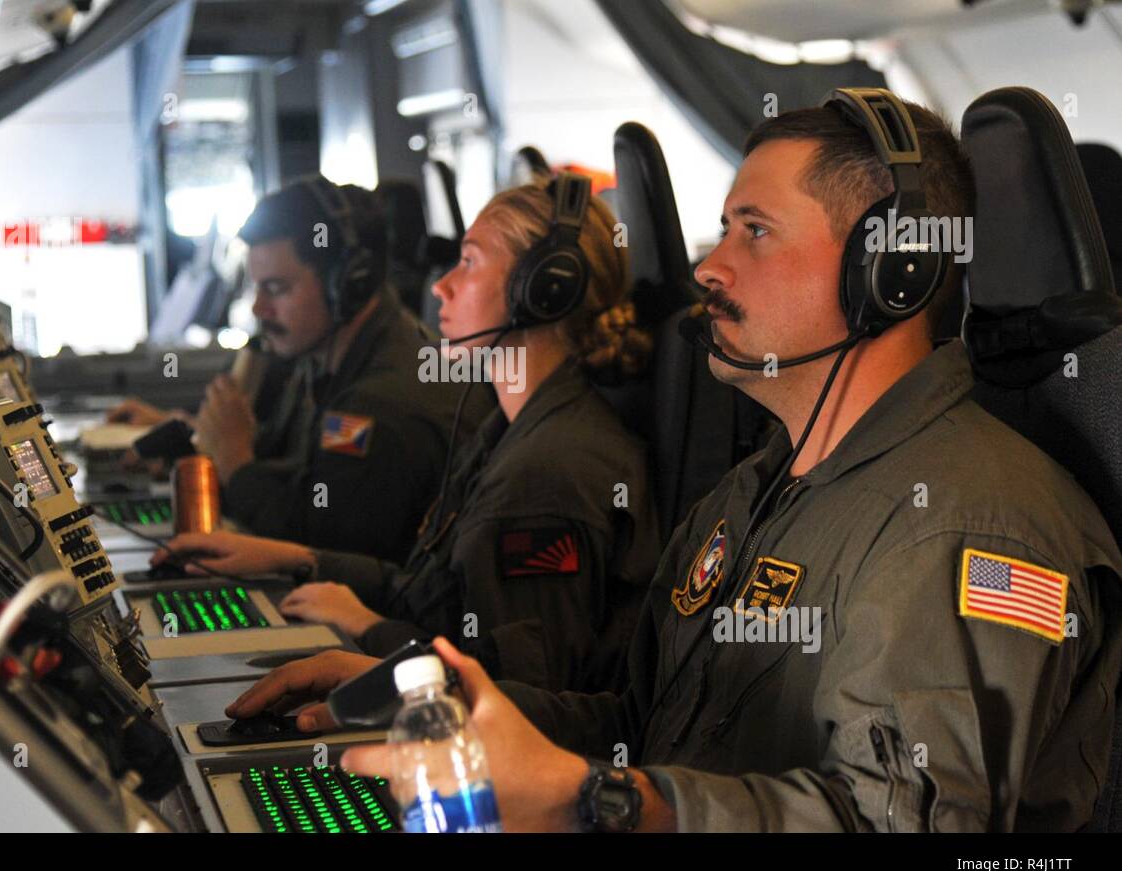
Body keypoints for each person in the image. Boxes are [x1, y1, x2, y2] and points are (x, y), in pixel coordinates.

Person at [256, 93, 1122, 832]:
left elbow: (896, 825)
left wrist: (596, 800)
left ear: (890, 271)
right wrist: (445, 700)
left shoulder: (966, 522)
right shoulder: (753, 492)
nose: (711, 267)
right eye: (722, 230)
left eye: (755, 232)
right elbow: (645, 725)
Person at [157, 176, 662, 694]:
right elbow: (438, 596)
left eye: (468, 263)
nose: (440, 286)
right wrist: (304, 561)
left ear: (542, 291)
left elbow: (529, 693)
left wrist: (371, 633)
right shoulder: (511, 431)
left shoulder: (550, 472)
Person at [108, 177, 491, 564]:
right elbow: (294, 474)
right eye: (256, 289)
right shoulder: (323, 362)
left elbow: (325, 545)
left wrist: (236, 464)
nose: (259, 309)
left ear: (347, 285)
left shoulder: (378, 405)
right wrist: (197, 435)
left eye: (275, 289)